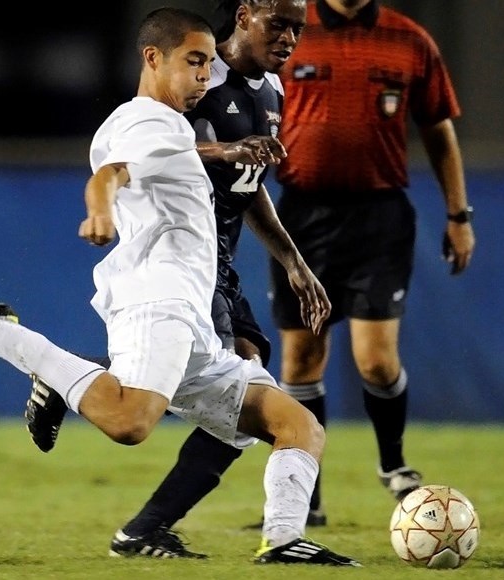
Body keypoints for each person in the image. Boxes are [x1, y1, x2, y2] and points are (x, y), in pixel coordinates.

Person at [0, 7, 358, 567]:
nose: (203, 75)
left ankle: (285, 541)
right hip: (157, 300)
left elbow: (191, 166)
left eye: (207, 64)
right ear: (153, 58)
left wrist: (235, 171)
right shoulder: (140, 119)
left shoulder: (177, 125)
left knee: (298, 426)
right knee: (129, 422)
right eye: (194, 62)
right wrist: (98, 212)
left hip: (194, 316)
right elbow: (111, 174)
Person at [103, 0, 329, 560]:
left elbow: (248, 190)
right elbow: (158, 148)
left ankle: (146, 528)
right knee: (237, 400)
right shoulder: (197, 76)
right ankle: (144, 522)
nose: (289, 39)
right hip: (181, 266)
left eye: (299, 29)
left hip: (218, 265)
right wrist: (225, 148)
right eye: (279, 24)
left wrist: (293, 261)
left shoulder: (271, 94)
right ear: (246, 14)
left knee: (249, 395)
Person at [268, 0, 476, 520]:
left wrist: (459, 214)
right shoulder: (289, 29)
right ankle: (307, 500)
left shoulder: (409, 40)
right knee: (300, 361)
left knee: (377, 361)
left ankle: (395, 465)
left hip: (378, 216)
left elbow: (438, 131)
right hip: (300, 216)